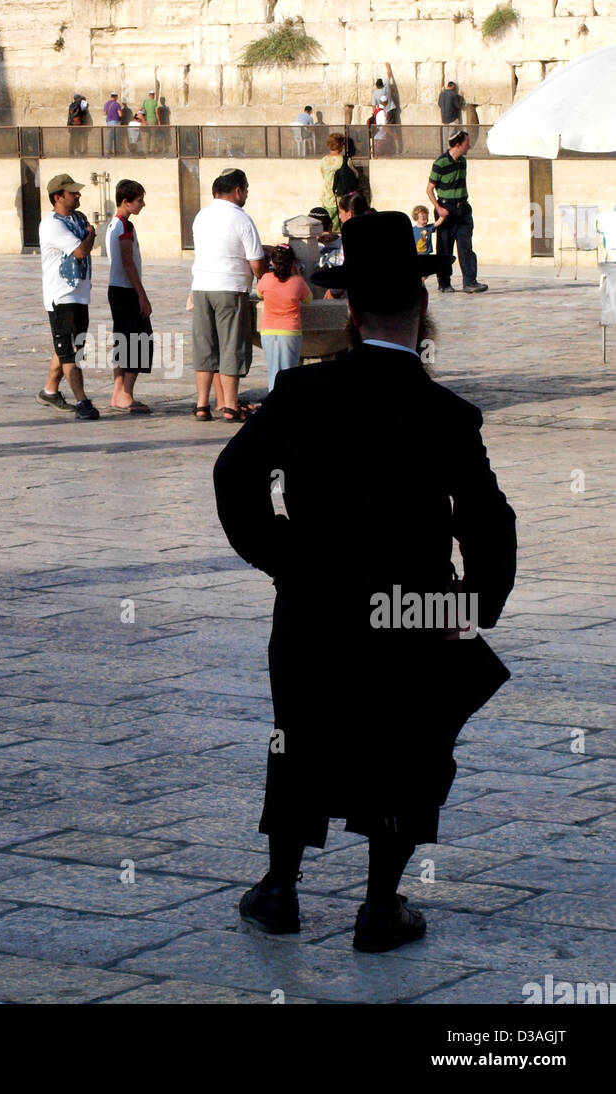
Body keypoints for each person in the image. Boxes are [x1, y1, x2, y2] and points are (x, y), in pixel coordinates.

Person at [214, 210, 516, 952]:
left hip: (315, 602)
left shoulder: (303, 395)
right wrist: (470, 606)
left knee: (299, 737)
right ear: (422, 309)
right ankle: (381, 906)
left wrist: (283, 556)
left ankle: (280, 889)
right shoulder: (448, 414)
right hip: (409, 609)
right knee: (406, 743)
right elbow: (489, 522)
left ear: (348, 310)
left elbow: (234, 475)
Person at [190, 168, 266, 423]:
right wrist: (264, 279)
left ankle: (202, 405)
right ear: (237, 190)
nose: (246, 195)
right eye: (245, 190)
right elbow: (256, 261)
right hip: (230, 288)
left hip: (201, 287)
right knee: (231, 346)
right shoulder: (241, 218)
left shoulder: (201, 215)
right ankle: (231, 406)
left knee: (205, 347)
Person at [37, 173, 99, 420]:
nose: (78, 195)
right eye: (72, 192)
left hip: (79, 295)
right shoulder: (52, 224)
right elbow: (81, 251)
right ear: (58, 197)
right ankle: (82, 401)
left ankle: (50, 391)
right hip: (61, 296)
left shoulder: (77, 218)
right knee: (71, 351)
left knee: (68, 346)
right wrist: (91, 233)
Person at [106, 179, 153, 414]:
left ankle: (119, 393)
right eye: (139, 200)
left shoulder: (115, 224)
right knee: (139, 340)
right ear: (126, 201)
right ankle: (126, 394)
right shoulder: (124, 226)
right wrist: (142, 295)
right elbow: (127, 262)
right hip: (126, 290)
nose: (142, 204)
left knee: (123, 340)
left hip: (117, 289)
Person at [427, 130, 488, 294]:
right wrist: (439, 209)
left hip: (463, 210)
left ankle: (470, 282)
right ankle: (444, 283)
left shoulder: (462, 162)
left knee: (466, 247)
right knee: (445, 248)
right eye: (467, 143)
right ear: (458, 144)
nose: (469, 146)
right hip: (446, 210)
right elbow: (429, 189)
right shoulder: (440, 163)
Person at [257, 245, 311, 389]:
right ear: (292, 262)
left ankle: (273, 401)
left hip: (268, 331)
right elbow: (308, 299)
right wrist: (298, 274)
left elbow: (259, 294)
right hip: (290, 331)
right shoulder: (297, 282)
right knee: (290, 371)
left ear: (272, 262)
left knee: (273, 371)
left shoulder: (266, 278)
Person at [319, 133, 352, 232]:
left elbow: (323, 175)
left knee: (328, 228)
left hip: (326, 198)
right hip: (340, 199)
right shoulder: (345, 160)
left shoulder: (324, 160)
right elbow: (355, 175)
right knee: (340, 229)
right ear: (340, 145)